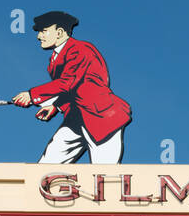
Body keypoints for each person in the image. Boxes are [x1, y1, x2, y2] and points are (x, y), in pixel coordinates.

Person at [12, 11, 132, 164]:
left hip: (102, 118)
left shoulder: (79, 49)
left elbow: (67, 82)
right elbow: (73, 89)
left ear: (60, 32)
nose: (39, 36)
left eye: (43, 31)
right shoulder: (56, 58)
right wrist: (55, 106)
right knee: (45, 168)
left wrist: (31, 95)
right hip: (76, 117)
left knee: (105, 178)